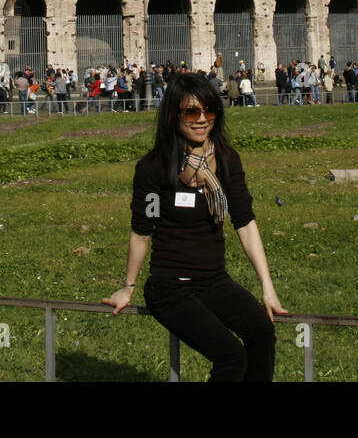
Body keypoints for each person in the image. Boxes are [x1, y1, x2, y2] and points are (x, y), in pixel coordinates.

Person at [103, 73, 286, 381]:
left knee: (262, 332)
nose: (202, 119)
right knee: (231, 357)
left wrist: (267, 288)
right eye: (192, 112)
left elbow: (245, 223)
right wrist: (129, 286)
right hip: (170, 286)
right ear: (174, 115)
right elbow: (141, 231)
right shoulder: (154, 167)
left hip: (213, 280)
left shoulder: (227, 160)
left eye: (210, 110)